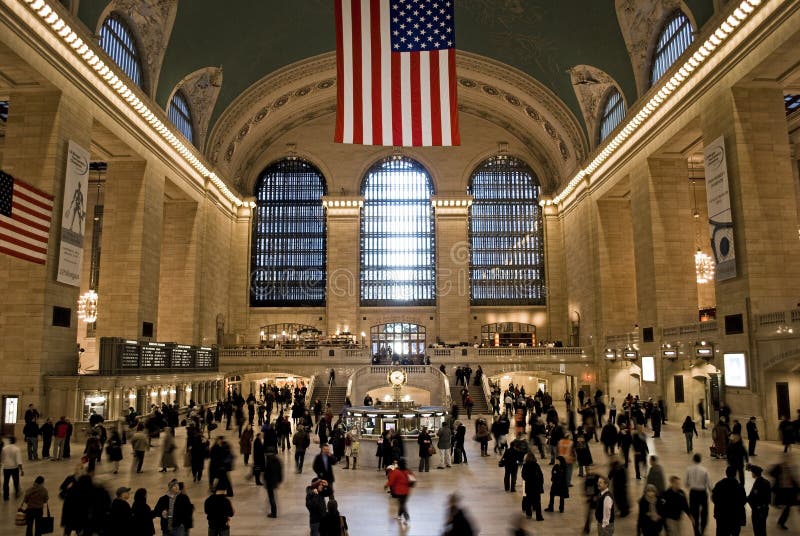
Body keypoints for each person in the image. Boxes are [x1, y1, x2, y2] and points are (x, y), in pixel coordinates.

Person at [712, 466, 746, 536]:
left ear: (726, 473)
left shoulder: (719, 485)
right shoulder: (739, 487)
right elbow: (743, 501)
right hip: (735, 517)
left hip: (722, 517)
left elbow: (714, 499)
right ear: (735, 474)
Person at [770, 453, 799, 531]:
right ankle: (781, 522)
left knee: (790, 507)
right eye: (786, 458)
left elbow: (794, 479)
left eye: (789, 458)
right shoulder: (778, 467)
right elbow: (770, 472)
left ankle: (781, 522)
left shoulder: (791, 467)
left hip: (791, 490)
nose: (789, 460)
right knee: (787, 508)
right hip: (783, 491)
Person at [686, 454, 712, 536]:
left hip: (693, 493)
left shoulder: (688, 469)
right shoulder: (704, 470)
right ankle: (703, 530)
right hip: (702, 493)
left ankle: (696, 532)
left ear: (693, 460)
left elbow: (686, 483)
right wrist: (712, 492)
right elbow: (709, 484)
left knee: (694, 513)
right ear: (700, 460)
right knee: (704, 513)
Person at [385, 458, 413, 526]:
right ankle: (399, 516)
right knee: (402, 503)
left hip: (399, 492)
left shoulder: (396, 472)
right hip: (407, 492)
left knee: (402, 504)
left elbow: (391, 481)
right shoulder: (408, 471)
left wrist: (386, 485)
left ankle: (406, 517)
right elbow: (413, 480)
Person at [746, 465, 770, 536]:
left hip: (758, 511)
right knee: (763, 528)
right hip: (765, 509)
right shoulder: (767, 482)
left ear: (754, 473)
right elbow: (768, 498)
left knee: (757, 530)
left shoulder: (757, 484)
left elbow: (752, 498)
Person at [521, 452, 544, 521]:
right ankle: (538, 516)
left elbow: (523, 475)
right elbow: (541, 475)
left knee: (528, 501)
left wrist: (527, 480)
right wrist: (540, 483)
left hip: (529, 486)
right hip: (536, 486)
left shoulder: (525, 465)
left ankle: (528, 514)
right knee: (537, 502)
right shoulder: (536, 465)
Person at [2, 436, 23, 501]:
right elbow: (18, 460)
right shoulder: (16, 449)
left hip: (6, 467)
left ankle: (6, 496)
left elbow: (2, 458)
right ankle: (17, 493)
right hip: (14, 467)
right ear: (15, 441)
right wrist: (21, 469)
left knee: (6, 482)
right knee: (16, 481)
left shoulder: (4, 448)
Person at [263, 451, 282, 518]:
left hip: (270, 482)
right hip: (275, 481)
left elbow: (266, 473)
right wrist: (279, 480)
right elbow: (280, 471)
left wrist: (265, 479)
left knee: (271, 497)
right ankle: (273, 511)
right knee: (272, 496)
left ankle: (273, 513)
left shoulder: (269, 462)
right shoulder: (278, 461)